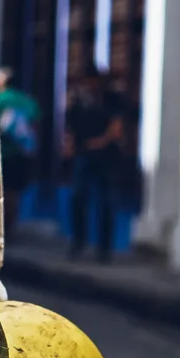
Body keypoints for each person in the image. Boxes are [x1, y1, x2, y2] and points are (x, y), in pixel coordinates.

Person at [62, 65, 133, 260]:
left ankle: (104, 248)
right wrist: (70, 145)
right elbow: (70, 126)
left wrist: (100, 142)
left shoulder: (111, 99)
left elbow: (116, 126)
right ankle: (78, 241)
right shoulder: (80, 100)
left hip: (107, 157)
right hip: (84, 154)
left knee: (106, 201)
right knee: (78, 198)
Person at [0, 67, 41, 233]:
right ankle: (10, 225)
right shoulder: (28, 101)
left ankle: (2, 226)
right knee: (14, 192)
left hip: (1, 152)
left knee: (0, 190)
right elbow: (35, 126)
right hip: (21, 152)